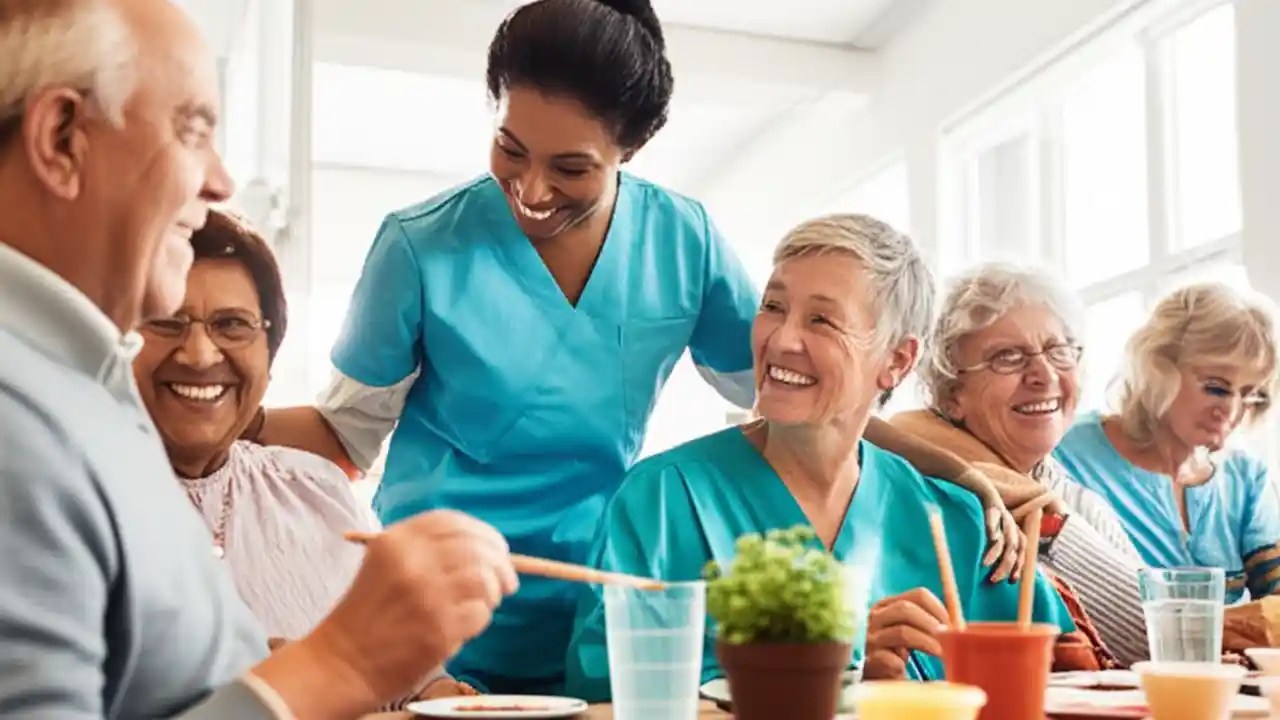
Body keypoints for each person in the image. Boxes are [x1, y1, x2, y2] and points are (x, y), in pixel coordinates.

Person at [244, 0, 1019, 694]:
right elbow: (346, 434)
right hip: (436, 629)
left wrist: (964, 476)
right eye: (511, 149)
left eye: (571, 167)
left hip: (606, 608)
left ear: (631, 149)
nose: (532, 189)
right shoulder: (418, 247)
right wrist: (198, 415)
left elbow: (801, 391)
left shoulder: (683, 242)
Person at [0, 1, 514, 717]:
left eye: (234, 326)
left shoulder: (87, 399)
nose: (219, 182)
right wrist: (346, 659)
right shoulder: (22, 423)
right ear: (60, 138)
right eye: (192, 131)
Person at [562, 215, 1075, 701]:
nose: (781, 340)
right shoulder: (659, 501)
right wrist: (847, 675)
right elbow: (605, 693)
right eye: (773, 307)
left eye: (822, 321)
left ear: (896, 361)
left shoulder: (959, 527)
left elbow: (1065, 677)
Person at [888, 263, 1148, 667]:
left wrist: (1053, 521)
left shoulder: (1079, 501)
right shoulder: (936, 499)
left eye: (1059, 350)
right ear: (952, 394)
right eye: (1007, 358)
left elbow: (1166, 640)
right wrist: (1047, 522)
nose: (1044, 375)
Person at [1054, 282, 1280, 604]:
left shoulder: (1247, 480)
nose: (1231, 411)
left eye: (1250, 394)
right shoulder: (1067, 452)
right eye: (1216, 387)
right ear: (1157, 367)